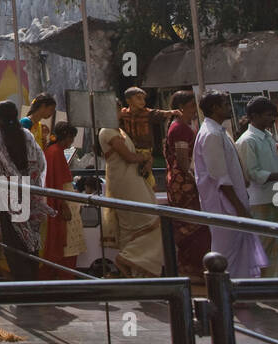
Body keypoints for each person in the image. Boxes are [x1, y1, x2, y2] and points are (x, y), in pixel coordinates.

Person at [192, 91, 266, 279]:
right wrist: (239, 207)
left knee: (237, 250)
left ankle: (238, 293)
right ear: (215, 108)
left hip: (232, 202)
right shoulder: (211, 134)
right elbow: (220, 178)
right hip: (223, 205)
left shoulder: (218, 131)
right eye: (225, 104)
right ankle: (225, 297)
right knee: (226, 254)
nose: (228, 108)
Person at [0, 100, 50, 280]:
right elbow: (40, 163)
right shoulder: (27, 135)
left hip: (7, 192)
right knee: (29, 235)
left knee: (12, 238)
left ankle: (20, 278)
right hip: (29, 190)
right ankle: (32, 276)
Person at [235, 95, 278, 277]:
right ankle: (268, 287)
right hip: (262, 199)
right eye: (268, 115)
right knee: (267, 245)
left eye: (273, 115)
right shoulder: (247, 140)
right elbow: (254, 174)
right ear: (254, 116)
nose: (272, 119)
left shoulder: (267, 137)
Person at [97, 127, 163, 277]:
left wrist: (146, 160)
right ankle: (127, 258)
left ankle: (137, 273)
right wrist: (145, 157)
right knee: (150, 221)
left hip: (133, 178)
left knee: (132, 227)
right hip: (125, 182)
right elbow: (129, 157)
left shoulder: (120, 131)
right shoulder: (106, 131)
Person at [164, 91, 210, 279]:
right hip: (185, 185)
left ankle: (189, 269)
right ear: (181, 108)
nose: (194, 111)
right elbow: (183, 162)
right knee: (195, 228)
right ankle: (193, 270)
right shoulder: (180, 128)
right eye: (192, 107)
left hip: (178, 183)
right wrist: (197, 179)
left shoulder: (177, 127)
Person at [39, 122, 84, 278]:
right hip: (63, 200)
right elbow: (57, 182)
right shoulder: (56, 152)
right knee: (68, 243)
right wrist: (63, 205)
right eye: (71, 138)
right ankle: (65, 277)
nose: (72, 142)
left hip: (61, 198)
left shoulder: (51, 151)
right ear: (67, 137)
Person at [118, 86, 176, 169]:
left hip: (144, 149)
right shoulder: (124, 113)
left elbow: (158, 113)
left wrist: (171, 112)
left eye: (143, 99)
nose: (142, 101)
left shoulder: (147, 113)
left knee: (145, 172)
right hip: (129, 147)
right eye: (138, 98)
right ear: (128, 101)